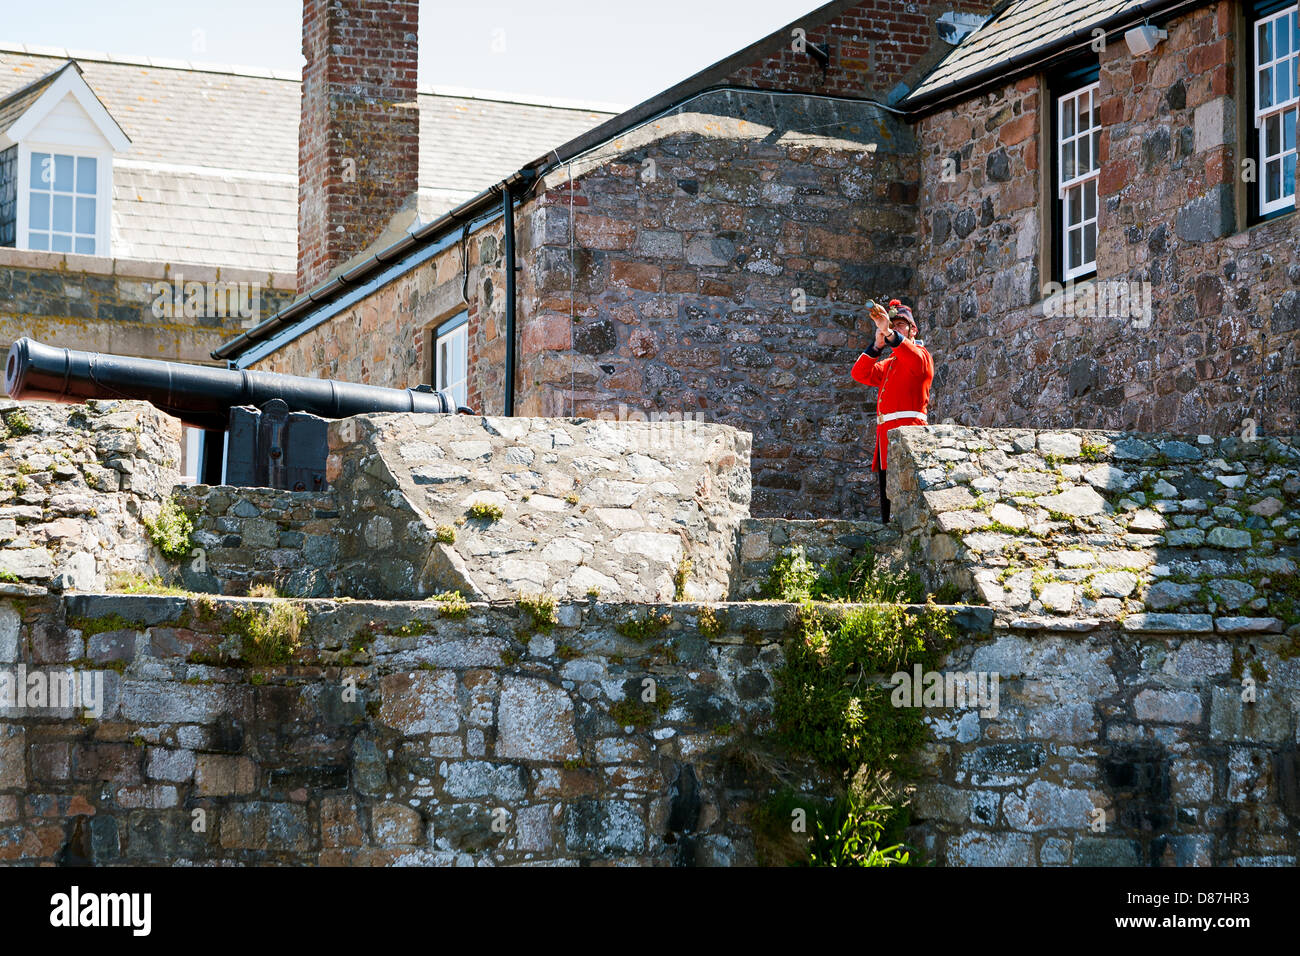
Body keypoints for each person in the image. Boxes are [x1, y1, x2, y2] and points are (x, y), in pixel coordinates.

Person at [849, 299, 934, 524]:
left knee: (908, 505)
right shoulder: (890, 363)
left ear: (913, 330)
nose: (895, 328)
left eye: (900, 325)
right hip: (886, 439)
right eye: (892, 324)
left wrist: (888, 331)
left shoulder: (922, 355)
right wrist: (877, 345)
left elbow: (913, 358)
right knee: (888, 510)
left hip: (908, 436)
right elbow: (859, 373)